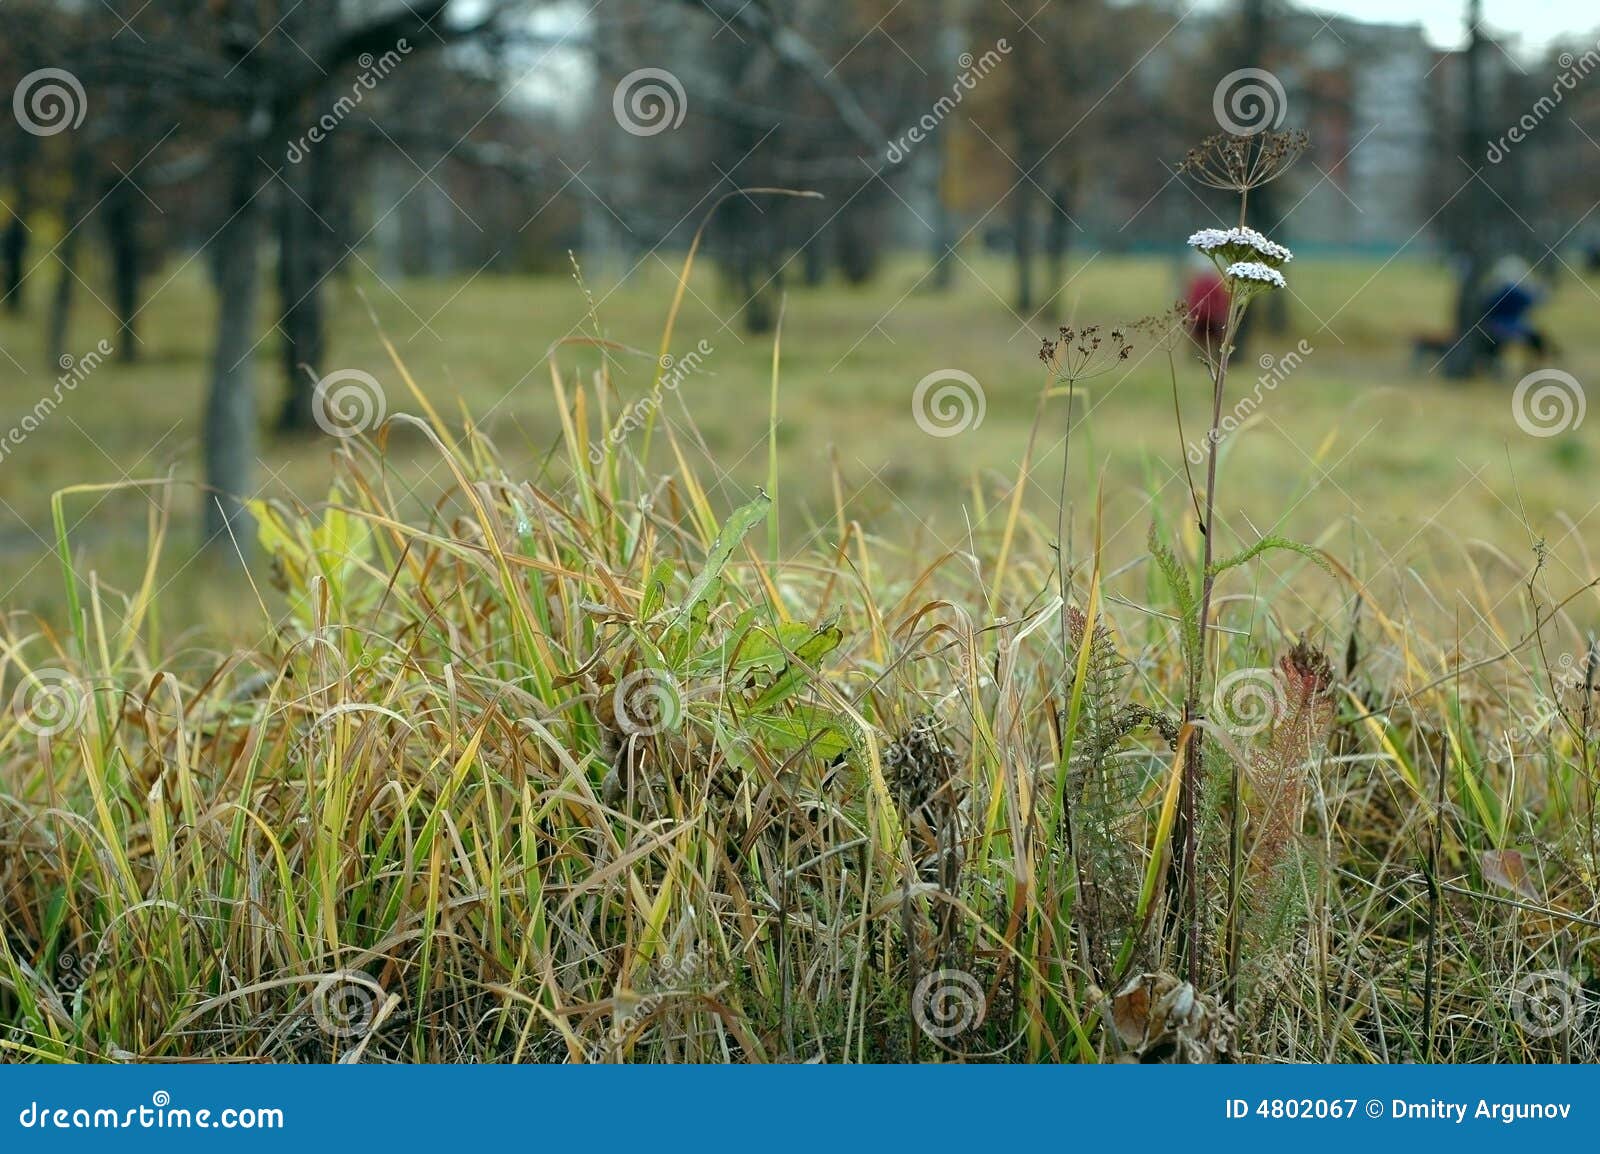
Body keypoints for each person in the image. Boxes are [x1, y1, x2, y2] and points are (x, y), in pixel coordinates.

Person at [1480, 255, 1549, 364]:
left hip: (1500, 325)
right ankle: (1538, 361)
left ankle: (1492, 362)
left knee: (1493, 340)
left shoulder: (1495, 291)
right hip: (1515, 325)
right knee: (1534, 337)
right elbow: (1533, 302)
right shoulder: (1521, 292)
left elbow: (1485, 306)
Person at [1185, 257, 1229, 348]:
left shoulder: (1197, 283)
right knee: (1216, 339)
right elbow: (1222, 300)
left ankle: (1203, 353)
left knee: (1200, 340)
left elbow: (1192, 300)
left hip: (1201, 318)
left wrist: (1192, 313)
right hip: (1210, 319)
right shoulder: (1216, 282)